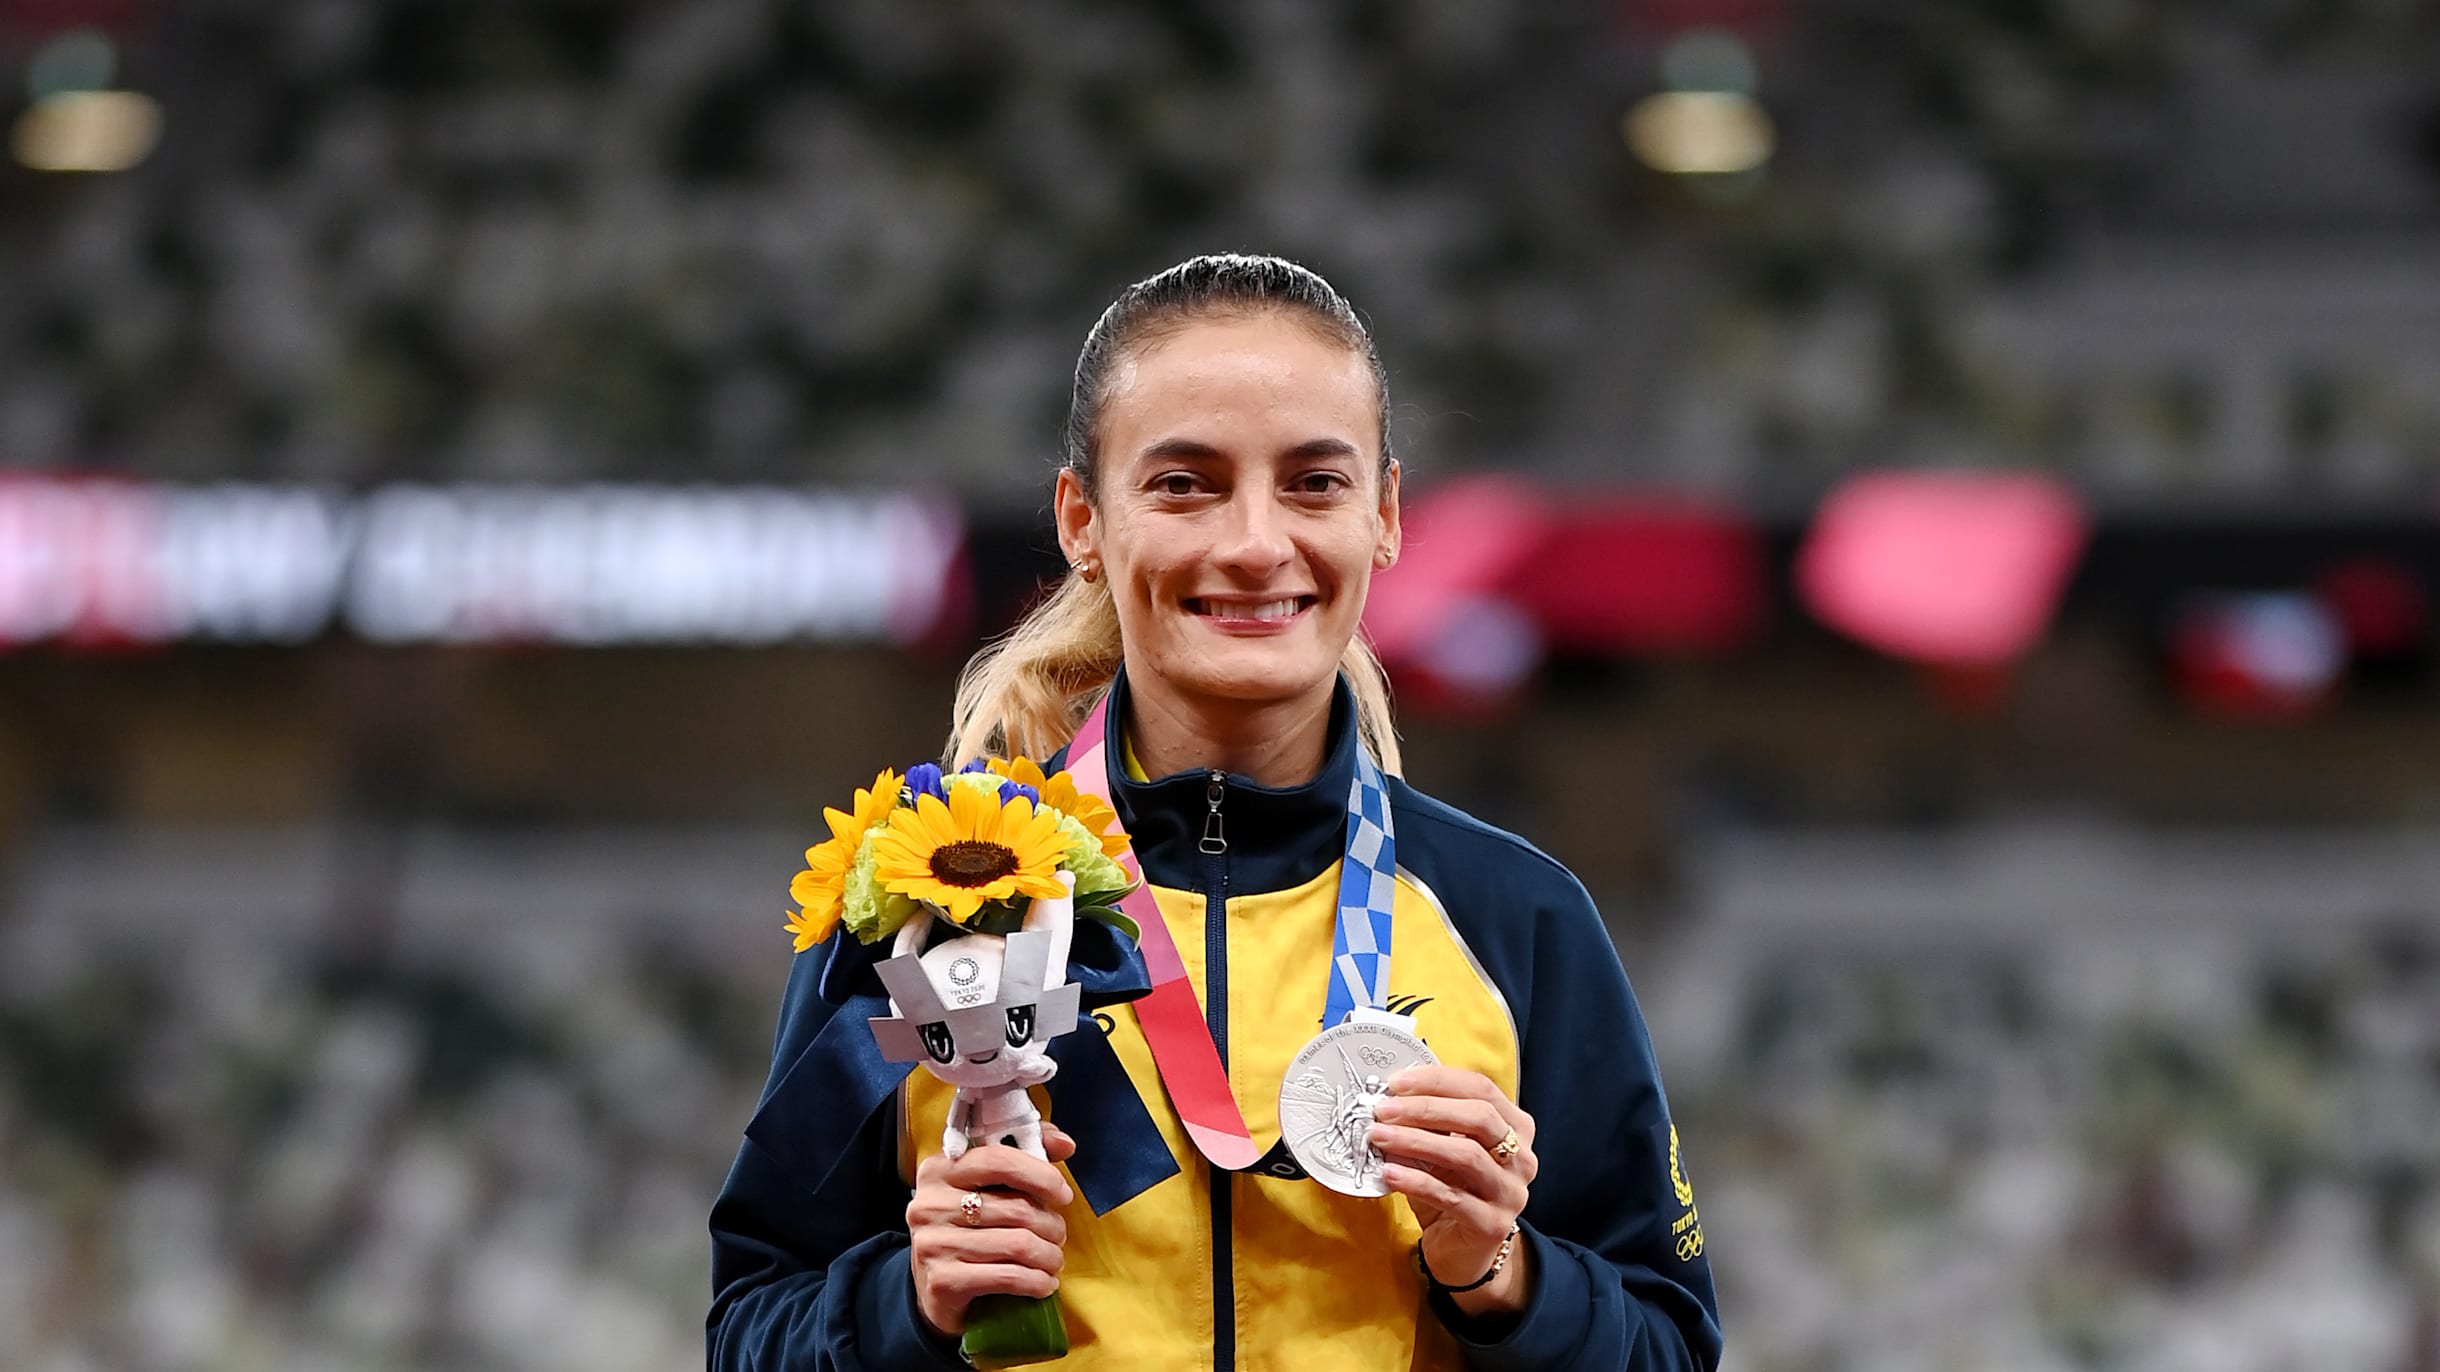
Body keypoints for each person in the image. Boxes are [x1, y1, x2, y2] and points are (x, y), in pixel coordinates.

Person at [709, 254, 1722, 1370]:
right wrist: (905, 1303)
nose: (1252, 544)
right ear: (1082, 520)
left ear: (1385, 515)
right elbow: (749, 1327)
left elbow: (1669, 1345)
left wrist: (1503, 1274)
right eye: (1184, 484)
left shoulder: (1517, 918)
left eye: (1314, 482)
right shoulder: (922, 907)